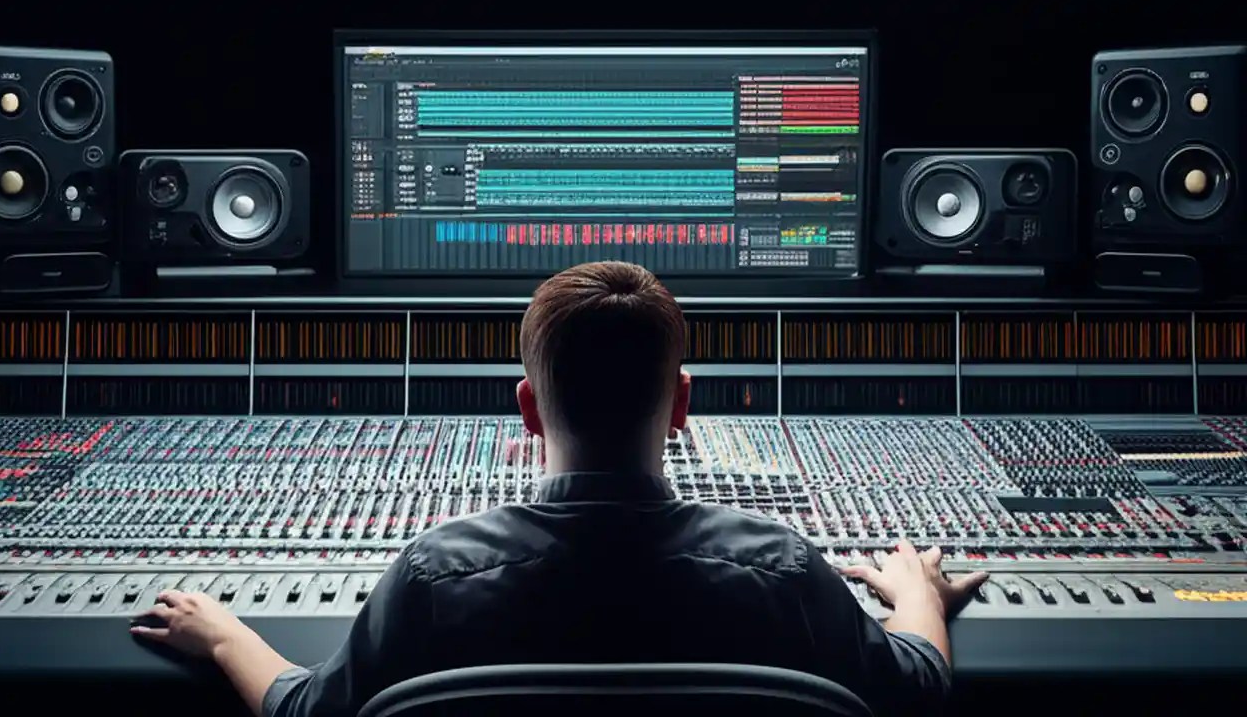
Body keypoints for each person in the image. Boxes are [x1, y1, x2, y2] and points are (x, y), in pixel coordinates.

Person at [130, 261, 987, 716]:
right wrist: (919, 599)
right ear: (683, 402)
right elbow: (918, 689)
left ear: (528, 410)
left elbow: (309, 714)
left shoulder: (433, 578)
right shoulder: (785, 572)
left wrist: (223, 637)